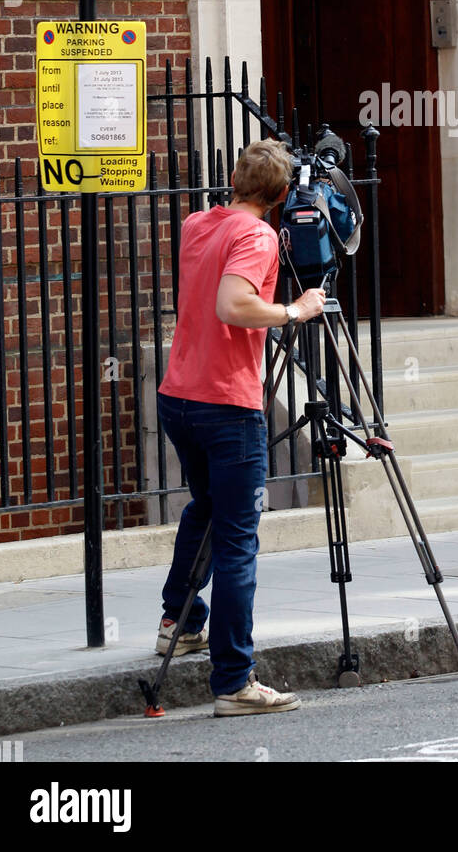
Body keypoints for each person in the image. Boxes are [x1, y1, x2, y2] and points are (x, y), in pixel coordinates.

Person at [155, 138, 326, 716]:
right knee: (236, 541)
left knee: (203, 509)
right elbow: (234, 305)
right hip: (227, 405)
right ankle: (233, 680)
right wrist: (294, 311)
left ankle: (177, 619)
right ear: (282, 197)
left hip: (179, 396)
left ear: (235, 180)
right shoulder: (256, 235)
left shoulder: (199, 223)